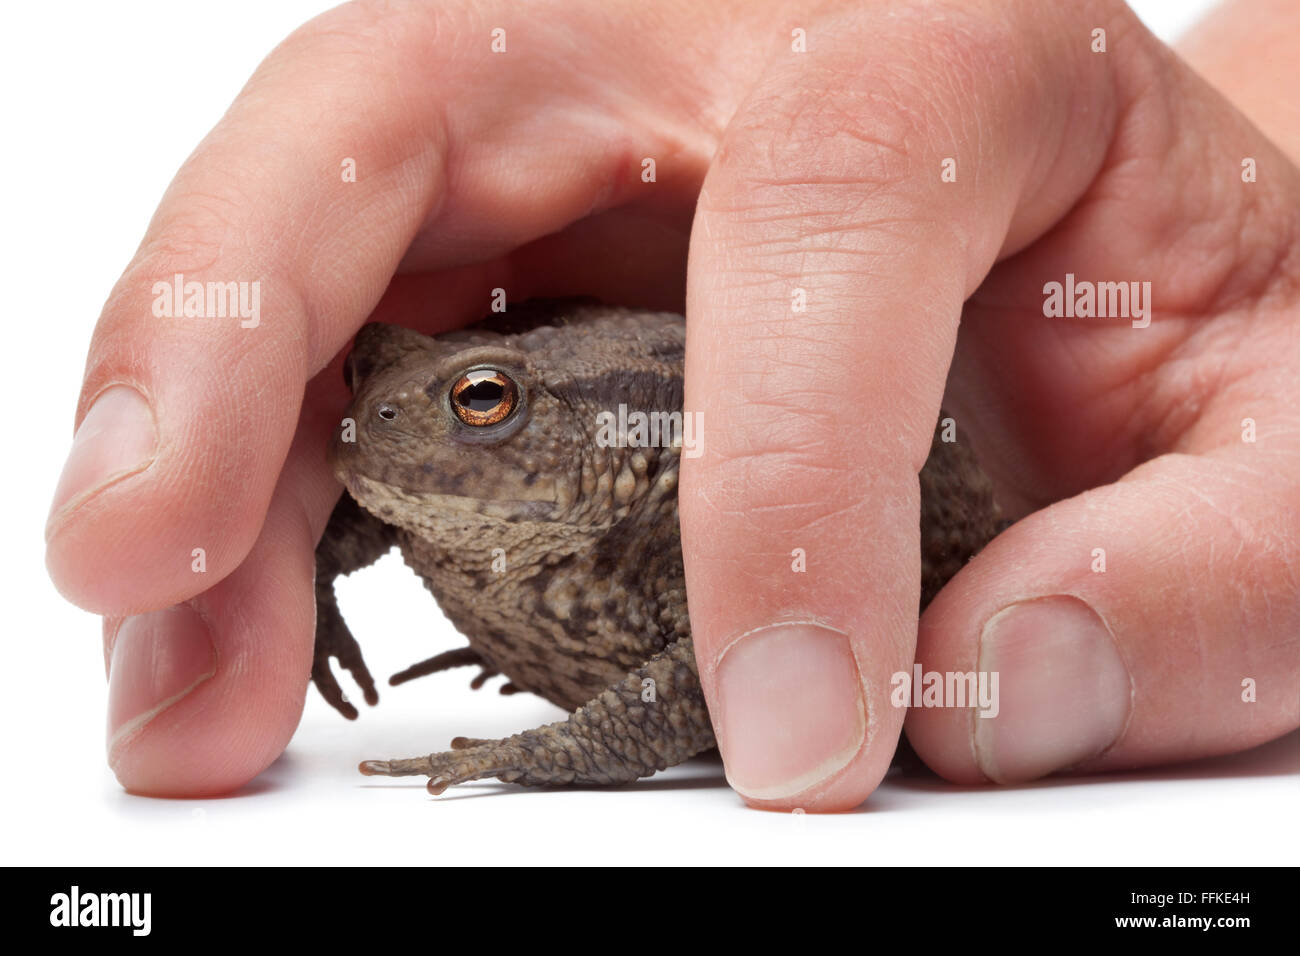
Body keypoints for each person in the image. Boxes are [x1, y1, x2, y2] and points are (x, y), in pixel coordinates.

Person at [45, 0, 1300, 811]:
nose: (377, 425)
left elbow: (693, 686)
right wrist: (310, 589)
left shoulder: (663, 532)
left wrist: (526, 759)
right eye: (373, 376)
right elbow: (352, 499)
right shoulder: (407, 492)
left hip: (906, 560)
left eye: (479, 402)